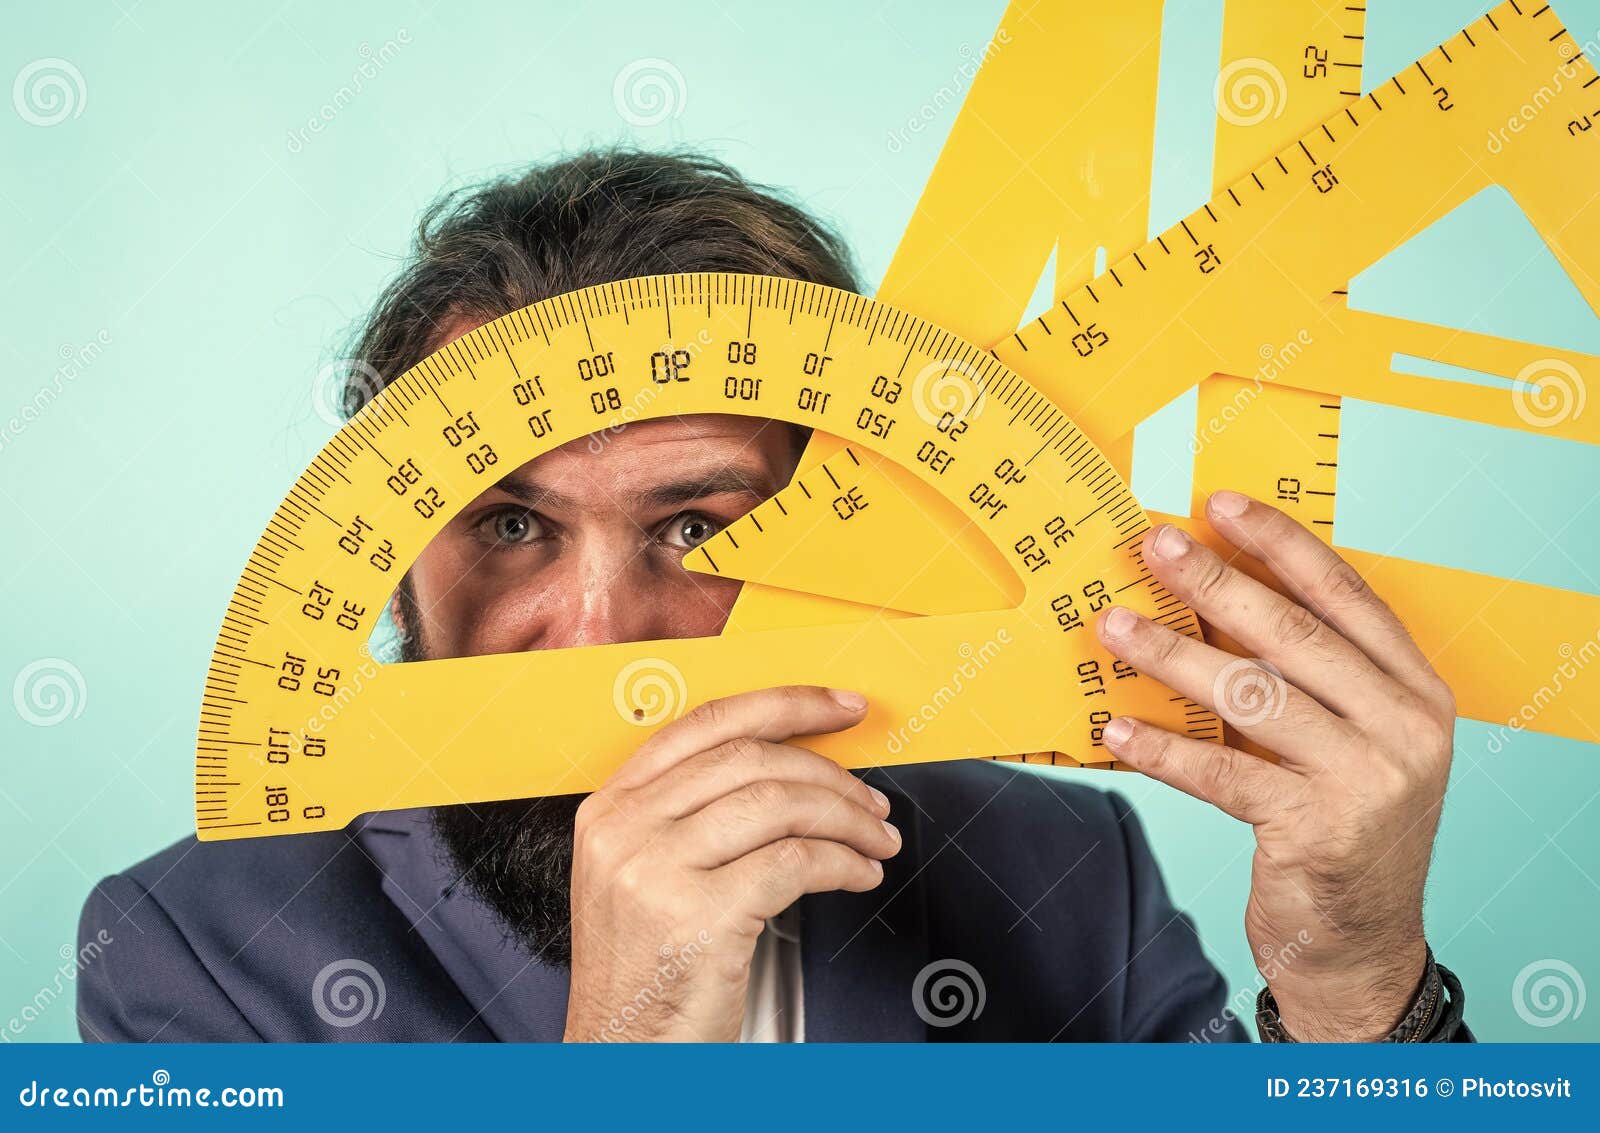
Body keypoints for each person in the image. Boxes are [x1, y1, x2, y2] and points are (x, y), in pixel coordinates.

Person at [76, 149, 1468, 1042]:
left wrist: (1352, 981)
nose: (600, 635)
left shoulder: (1061, 873)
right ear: (387, 550)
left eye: (694, 526)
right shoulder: (198, 955)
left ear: (852, 546)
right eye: (509, 523)